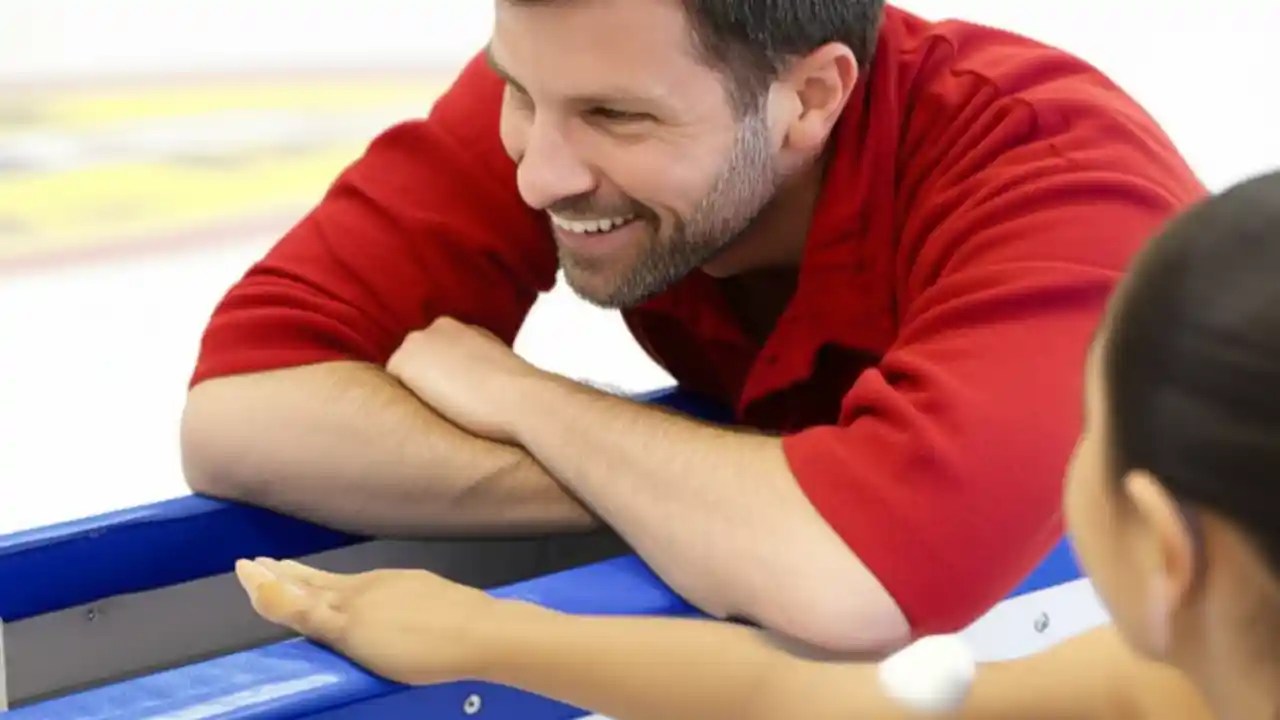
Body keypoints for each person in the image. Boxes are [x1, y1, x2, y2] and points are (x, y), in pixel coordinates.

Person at [182, 0, 1206, 651]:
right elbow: (238, 418)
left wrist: (521, 398)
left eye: (618, 120)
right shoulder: (581, 80)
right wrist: (711, 494)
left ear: (807, 100)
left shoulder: (1058, 183)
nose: (538, 170)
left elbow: (849, 580)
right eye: (514, 91)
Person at [236, 169, 1280, 720]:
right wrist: (479, 634)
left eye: (1087, 432)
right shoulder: (1180, 681)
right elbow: (794, 696)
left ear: (1165, 550)